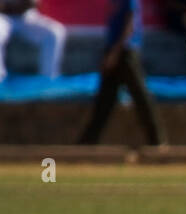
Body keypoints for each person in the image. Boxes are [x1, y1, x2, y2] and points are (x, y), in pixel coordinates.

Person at [77, 0, 166, 146]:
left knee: (140, 96)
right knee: (105, 99)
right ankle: (88, 140)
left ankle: (157, 140)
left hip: (125, 52)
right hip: (115, 49)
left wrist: (115, 52)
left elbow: (129, 24)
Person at [0, 0, 65, 82]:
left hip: (26, 16)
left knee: (55, 32)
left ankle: (49, 79)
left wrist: (27, 4)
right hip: (2, 17)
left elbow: (34, 3)